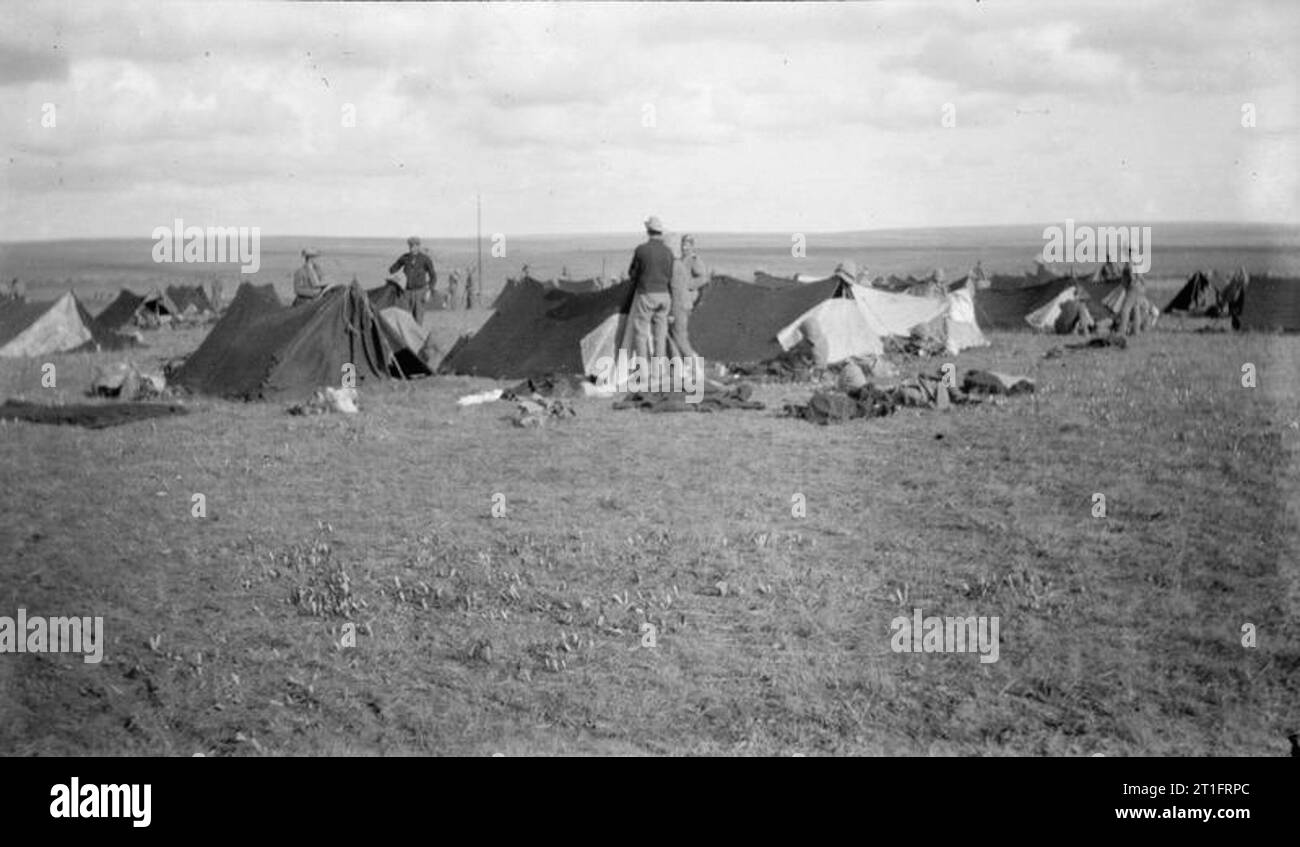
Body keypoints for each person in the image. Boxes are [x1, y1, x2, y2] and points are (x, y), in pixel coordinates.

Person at [626, 216, 675, 364]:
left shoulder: (641, 250)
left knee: (641, 333)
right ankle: (658, 371)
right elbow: (670, 275)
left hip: (647, 294)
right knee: (660, 334)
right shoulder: (669, 252)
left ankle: (644, 372)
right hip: (665, 296)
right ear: (660, 232)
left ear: (648, 231)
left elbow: (632, 274)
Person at [668, 234, 708, 360]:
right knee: (678, 334)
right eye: (683, 244)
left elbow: (703, 278)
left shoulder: (694, 260)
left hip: (684, 300)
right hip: (679, 300)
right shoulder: (681, 259)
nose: (684, 247)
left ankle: (691, 361)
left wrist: (687, 285)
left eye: (687, 244)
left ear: (692, 246)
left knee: (680, 334)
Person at [389, 236, 437, 324]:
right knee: (405, 318)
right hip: (406, 293)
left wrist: (429, 291)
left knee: (418, 320)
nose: (411, 248)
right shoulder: (405, 257)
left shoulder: (425, 259)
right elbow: (392, 269)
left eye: (414, 246)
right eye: (410, 246)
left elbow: (433, 276)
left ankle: (417, 337)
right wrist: (395, 276)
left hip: (420, 293)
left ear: (418, 246)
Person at [1116, 261, 1152, 336]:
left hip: (1133, 287)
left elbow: (1135, 275)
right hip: (1139, 287)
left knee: (1125, 309)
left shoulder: (1130, 262)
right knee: (1136, 308)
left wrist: (1132, 281)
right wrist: (1143, 284)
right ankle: (1136, 331)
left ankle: (1122, 330)